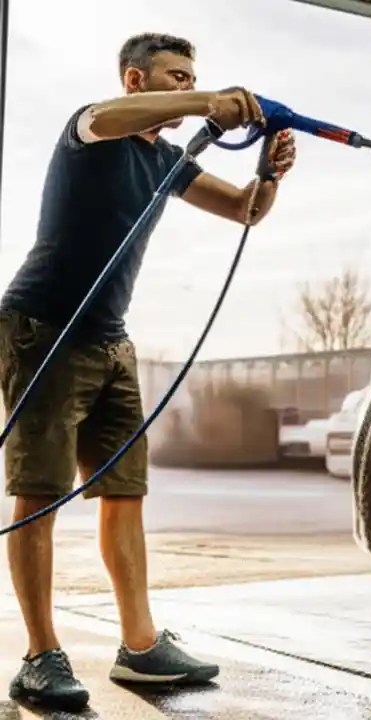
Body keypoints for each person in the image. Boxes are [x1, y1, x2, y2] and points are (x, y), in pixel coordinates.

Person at [1, 33, 296, 711]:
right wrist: (211, 102)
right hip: (42, 329)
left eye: (194, 77)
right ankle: (39, 657)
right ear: (136, 80)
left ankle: (139, 648)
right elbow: (107, 117)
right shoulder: (92, 125)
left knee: (124, 493)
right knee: (39, 494)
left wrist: (271, 174)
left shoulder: (168, 161)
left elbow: (244, 210)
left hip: (111, 341)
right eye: (175, 77)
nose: (188, 87)